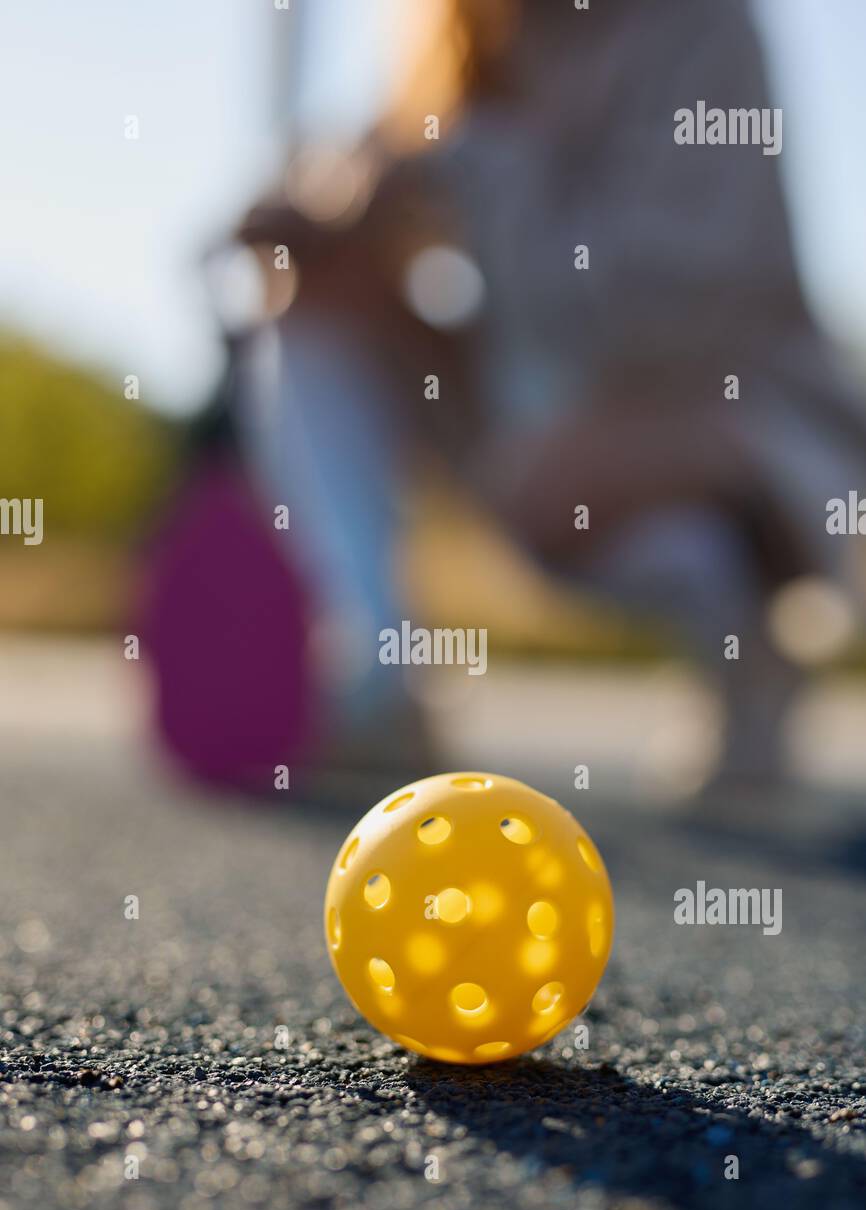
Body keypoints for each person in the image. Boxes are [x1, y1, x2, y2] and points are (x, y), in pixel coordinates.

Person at [234, 0, 866, 787]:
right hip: (530, 414)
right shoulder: (458, 30)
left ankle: (754, 633)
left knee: (551, 486)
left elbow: (687, 297)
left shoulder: (700, 22)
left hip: (714, 404)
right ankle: (377, 678)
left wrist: (457, 174)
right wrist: (329, 204)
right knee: (318, 296)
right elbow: (370, 157)